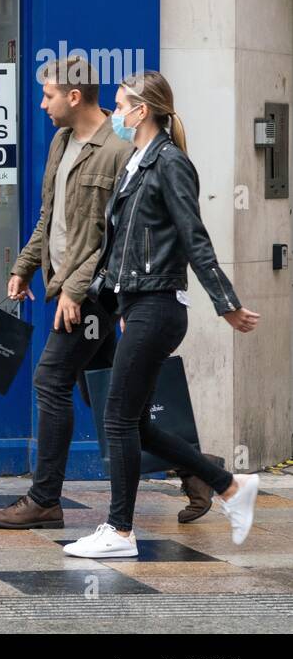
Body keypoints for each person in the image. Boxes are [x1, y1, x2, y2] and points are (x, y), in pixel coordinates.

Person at [64, 72, 262, 558]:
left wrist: (226, 303)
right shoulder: (136, 162)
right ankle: (230, 486)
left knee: (117, 417)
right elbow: (121, 246)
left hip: (160, 305)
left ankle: (120, 531)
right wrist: (115, 303)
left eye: (120, 106)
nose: (116, 115)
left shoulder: (170, 163)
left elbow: (194, 238)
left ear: (142, 110)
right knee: (137, 422)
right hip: (140, 305)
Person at [0, 56, 132, 529]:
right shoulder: (62, 141)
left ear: (73, 96)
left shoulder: (118, 150)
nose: (41, 104)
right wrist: (25, 266)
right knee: (106, 396)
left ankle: (44, 498)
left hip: (92, 295)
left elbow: (111, 236)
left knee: (50, 381)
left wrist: (74, 289)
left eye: (48, 95)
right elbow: (52, 216)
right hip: (64, 287)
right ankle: (197, 470)